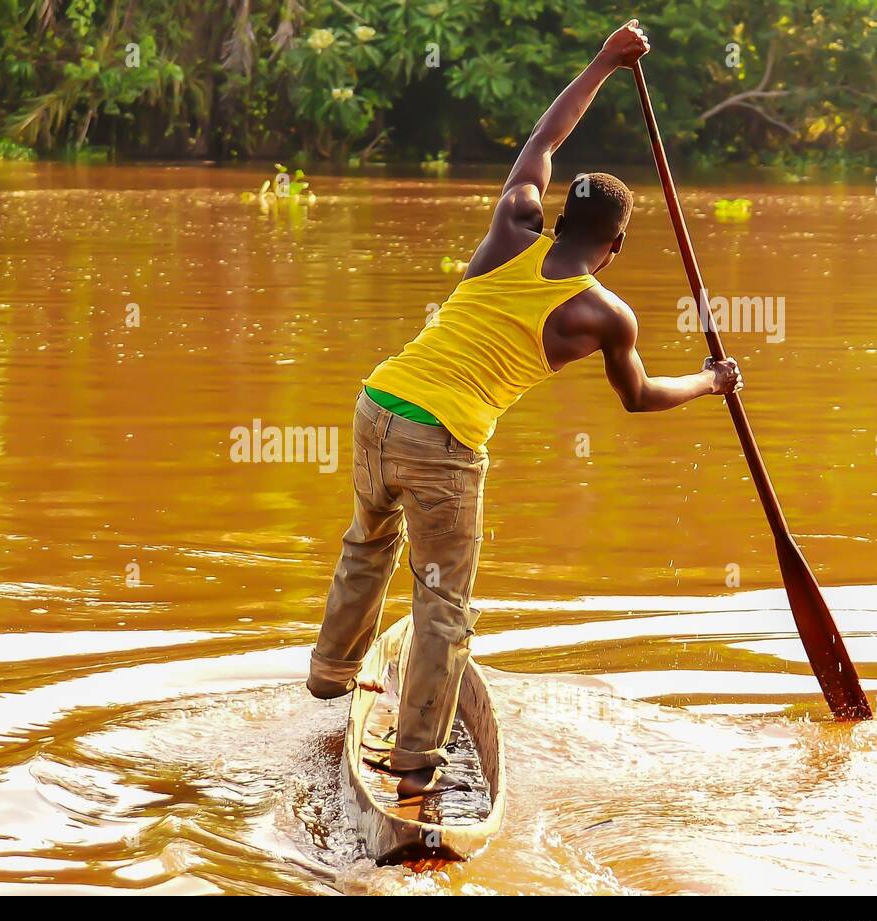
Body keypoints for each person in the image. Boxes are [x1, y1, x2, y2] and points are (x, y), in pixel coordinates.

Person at [306, 19, 743, 798]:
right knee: (442, 602)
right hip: (443, 441)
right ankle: (413, 764)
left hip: (377, 404)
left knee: (368, 539)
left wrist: (606, 60)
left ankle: (332, 673)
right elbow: (639, 399)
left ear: (558, 216)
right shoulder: (605, 314)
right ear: (614, 246)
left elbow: (547, 132)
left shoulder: (511, 225)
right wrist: (712, 383)